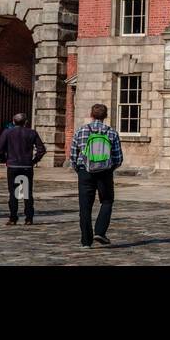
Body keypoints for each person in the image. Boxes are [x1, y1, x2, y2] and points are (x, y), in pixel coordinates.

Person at [68, 103, 123, 248]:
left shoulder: (81, 131)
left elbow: (73, 155)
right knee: (107, 201)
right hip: (105, 171)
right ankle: (100, 231)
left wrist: (79, 168)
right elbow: (118, 158)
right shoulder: (111, 133)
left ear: (91, 115)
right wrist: (109, 168)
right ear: (105, 116)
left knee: (85, 206)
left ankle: (86, 241)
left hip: (85, 171)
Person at [0, 113, 47, 225]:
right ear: (26, 122)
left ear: (13, 122)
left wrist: (5, 159)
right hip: (26, 166)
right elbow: (41, 149)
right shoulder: (31, 133)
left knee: (13, 192)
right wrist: (34, 161)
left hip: (13, 166)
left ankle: (13, 217)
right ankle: (29, 218)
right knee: (27, 192)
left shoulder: (7, 132)